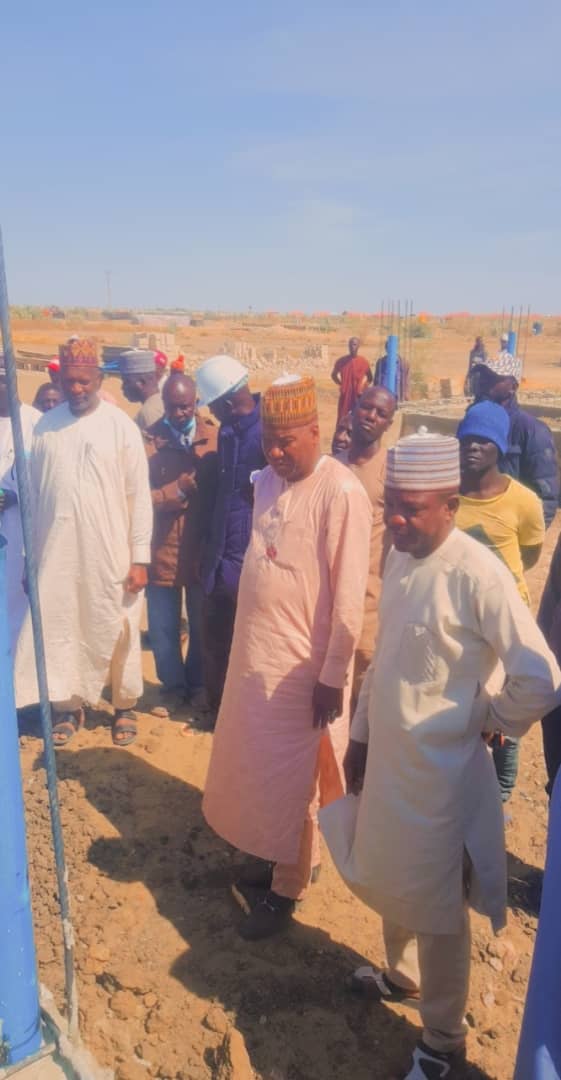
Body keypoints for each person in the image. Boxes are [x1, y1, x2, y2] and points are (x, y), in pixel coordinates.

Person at [320, 429, 561, 1080]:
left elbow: (539, 677)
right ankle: (401, 977)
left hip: (441, 780)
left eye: (411, 507)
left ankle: (443, 1043)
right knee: (390, 877)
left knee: (437, 909)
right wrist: (362, 738)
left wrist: (489, 720)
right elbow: (386, 655)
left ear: (449, 505)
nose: (395, 518)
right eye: (390, 503)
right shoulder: (400, 558)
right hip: (389, 763)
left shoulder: (476, 573)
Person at [203, 375, 371, 940]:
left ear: (316, 431)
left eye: (287, 441)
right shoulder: (268, 482)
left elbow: (349, 600)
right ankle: (273, 855)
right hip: (260, 659)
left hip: (307, 671)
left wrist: (331, 677)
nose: (275, 451)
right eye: (270, 440)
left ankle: (288, 886)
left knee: (298, 778)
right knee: (260, 770)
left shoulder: (341, 492)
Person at [14, 339, 153, 749]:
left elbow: (138, 497)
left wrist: (140, 557)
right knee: (63, 626)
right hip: (56, 553)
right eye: (69, 381)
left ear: (99, 378)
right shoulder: (45, 426)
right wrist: (30, 559)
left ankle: (124, 705)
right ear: (58, 377)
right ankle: (68, 707)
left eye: (84, 381)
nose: (76, 389)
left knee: (120, 627)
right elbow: (36, 499)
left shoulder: (120, 427)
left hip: (111, 553)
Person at [456, 401, 545, 804]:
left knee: (505, 710)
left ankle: (502, 792)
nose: (474, 447)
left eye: (484, 441)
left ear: (500, 448)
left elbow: (529, 556)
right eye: (468, 439)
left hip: (505, 617)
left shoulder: (524, 502)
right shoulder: (446, 494)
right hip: (457, 616)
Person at [195, 354, 266, 728]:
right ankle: (217, 709)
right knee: (215, 638)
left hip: (252, 557)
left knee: (251, 644)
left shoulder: (268, 433)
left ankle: (245, 717)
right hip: (221, 556)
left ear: (224, 402)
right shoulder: (226, 432)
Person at [145, 373, 218, 705]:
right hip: (160, 550)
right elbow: (133, 498)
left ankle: (199, 684)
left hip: (200, 551)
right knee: (162, 630)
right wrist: (170, 494)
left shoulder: (214, 438)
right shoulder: (146, 443)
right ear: (163, 405)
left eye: (186, 407)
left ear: (196, 402)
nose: (179, 414)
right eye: (173, 408)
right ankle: (172, 688)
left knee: (202, 625)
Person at [338, 385, 397, 704]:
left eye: (381, 413)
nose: (371, 416)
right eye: (366, 408)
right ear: (354, 408)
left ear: (389, 423)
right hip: (330, 598)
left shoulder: (393, 471)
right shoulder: (331, 467)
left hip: (370, 603)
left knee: (365, 698)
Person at [471, 352, 559, 528]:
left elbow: (546, 498)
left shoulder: (532, 430)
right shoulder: (471, 422)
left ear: (513, 386)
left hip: (507, 534)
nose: (484, 382)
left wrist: (523, 544)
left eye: (495, 377)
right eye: (484, 376)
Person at [0, 358, 40, 652]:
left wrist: (15, 496)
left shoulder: (35, 423)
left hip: (18, 533)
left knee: (17, 603)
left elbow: (43, 480)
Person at [119, 349, 164, 432]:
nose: (122, 387)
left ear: (141, 383)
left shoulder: (148, 413)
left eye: (126, 382)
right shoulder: (162, 401)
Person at [331, 337, 372, 422]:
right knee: (343, 418)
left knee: (357, 418)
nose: (352, 347)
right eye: (350, 345)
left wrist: (363, 387)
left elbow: (370, 377)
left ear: (358, 346)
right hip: (345, 395)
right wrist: (341, 384)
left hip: (357, 396)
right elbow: (333, 375)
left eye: (354, 344)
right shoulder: (341, 361)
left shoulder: (363, 362)